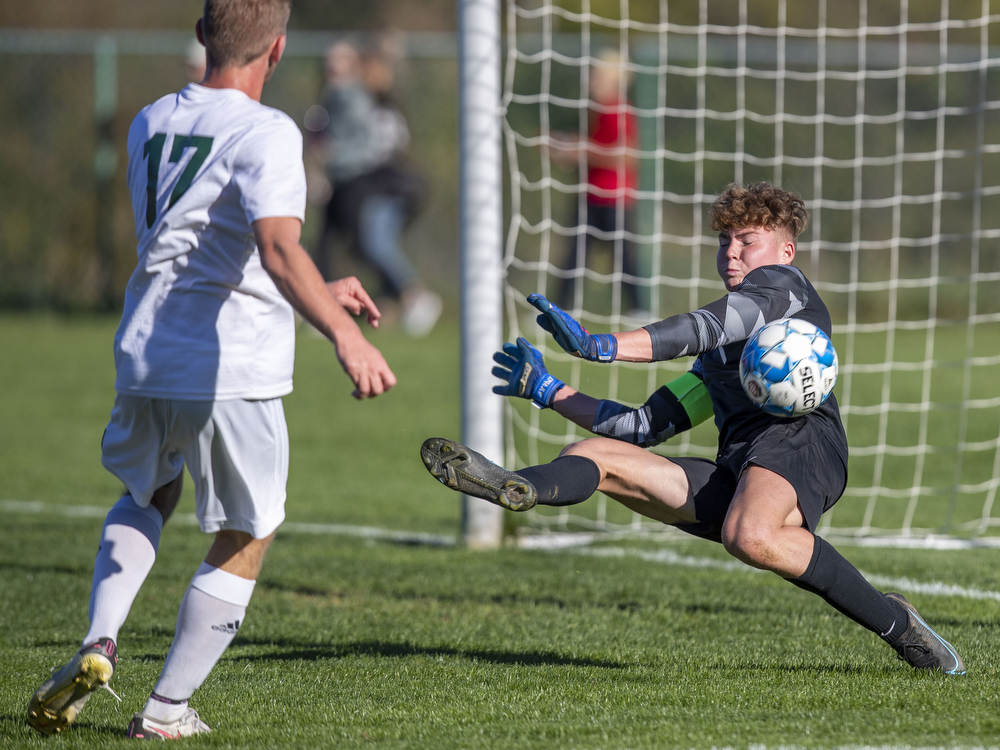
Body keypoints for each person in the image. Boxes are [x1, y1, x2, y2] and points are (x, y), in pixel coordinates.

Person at [27, 0, 396, 739]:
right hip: (228, 367)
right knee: (248, 530)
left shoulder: (151, 120)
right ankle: (165, 712)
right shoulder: (269, 131)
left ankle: (101, 637)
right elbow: (276, 248)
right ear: (280, 49)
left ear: (202, 36)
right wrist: (341, 336)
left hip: (144, 352)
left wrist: (319, 289)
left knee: (147, 493)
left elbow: (198, 239)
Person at [421, 182, 965, 676]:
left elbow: (705, 325)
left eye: (746, 240)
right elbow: (640, 425)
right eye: (725, 240)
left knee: (748, 534)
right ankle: (522, 486)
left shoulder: (784, 291)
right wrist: (550, 390)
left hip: (803, 442)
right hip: (743, 464)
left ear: (785, 250)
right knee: (596, 452)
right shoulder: (718, 362)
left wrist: (602, 345)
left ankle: (899, 628)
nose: (731, 252)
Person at [310, 38, 442, 338]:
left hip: (381, 186)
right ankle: (335, 307)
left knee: (373, 244)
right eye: (330, 62)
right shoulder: (338, 98)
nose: (334, 68)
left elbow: (366, 146)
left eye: (342, 62)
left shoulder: (355, 98)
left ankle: (414, 296)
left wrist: (333, 159)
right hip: (363, 186)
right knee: (340, 244)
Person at [549, 50, 642, 317]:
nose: (591, 81)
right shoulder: (598, 111)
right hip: (591, 196)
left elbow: (625, 155)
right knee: (574, 257)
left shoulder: (618, 110)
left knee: (625, 259)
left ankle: (639, 309)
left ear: (614, 80)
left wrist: (581, 148)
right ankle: (558, 310)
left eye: (597, 76)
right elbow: (596, 150)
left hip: (615, 198)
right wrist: (568, 149)